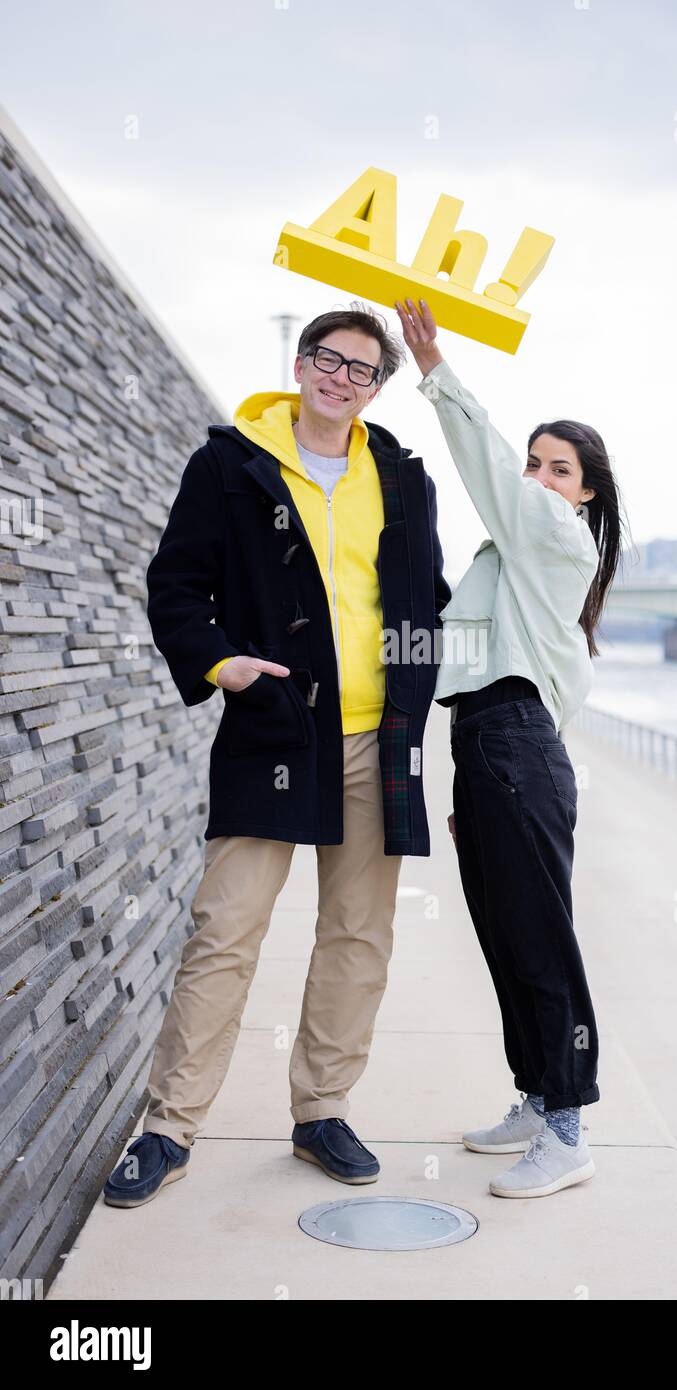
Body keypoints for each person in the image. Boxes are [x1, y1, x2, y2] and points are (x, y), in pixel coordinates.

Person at [103, 302, 450, 1207]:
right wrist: (224, 667)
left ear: (378, 388)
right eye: (327, 359)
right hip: (273, 732)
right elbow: (175, 585)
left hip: (382, 738)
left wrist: (422, 701)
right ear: (300, 364)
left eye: (362, 369)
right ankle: (170, 1127)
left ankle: (322, 1111)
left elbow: (426, 600)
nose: (341, 377)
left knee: (358, 935)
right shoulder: (230, 465)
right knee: (225, 931)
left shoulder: (405, 478)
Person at [395, 296, 624, 1199]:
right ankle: (535, 1097)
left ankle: (567, 1132)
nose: (534, 475)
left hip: (515, 745)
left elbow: (481, 461)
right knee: (503, 936)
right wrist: (471, 786)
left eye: (556, 467)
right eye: (532, 463)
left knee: (540, 941)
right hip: (493, 746)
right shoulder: (514, 552)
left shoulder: (552, 533)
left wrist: (435, 371)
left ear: (585, 493)